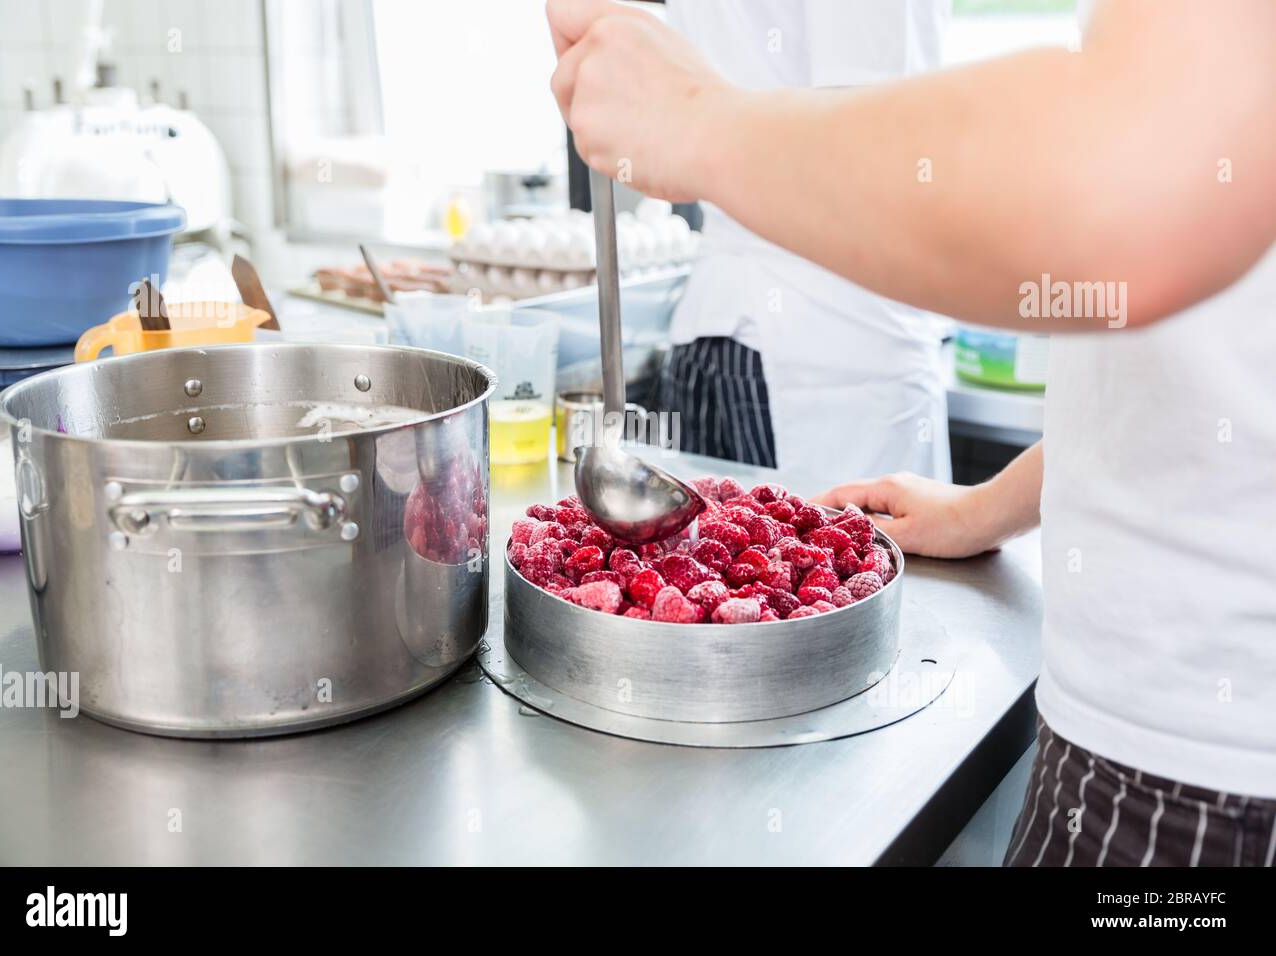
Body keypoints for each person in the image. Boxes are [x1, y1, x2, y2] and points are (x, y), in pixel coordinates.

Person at [546, 0, 1276, 865]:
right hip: (1172, 739)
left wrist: (695, 119)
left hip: (1203, 770)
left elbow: (1130, 183)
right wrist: (991, 506)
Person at [659, 0, 953, 479]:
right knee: (847, 550)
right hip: (824, 349)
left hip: (717, 326)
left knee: (717, 551)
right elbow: (875, 144)